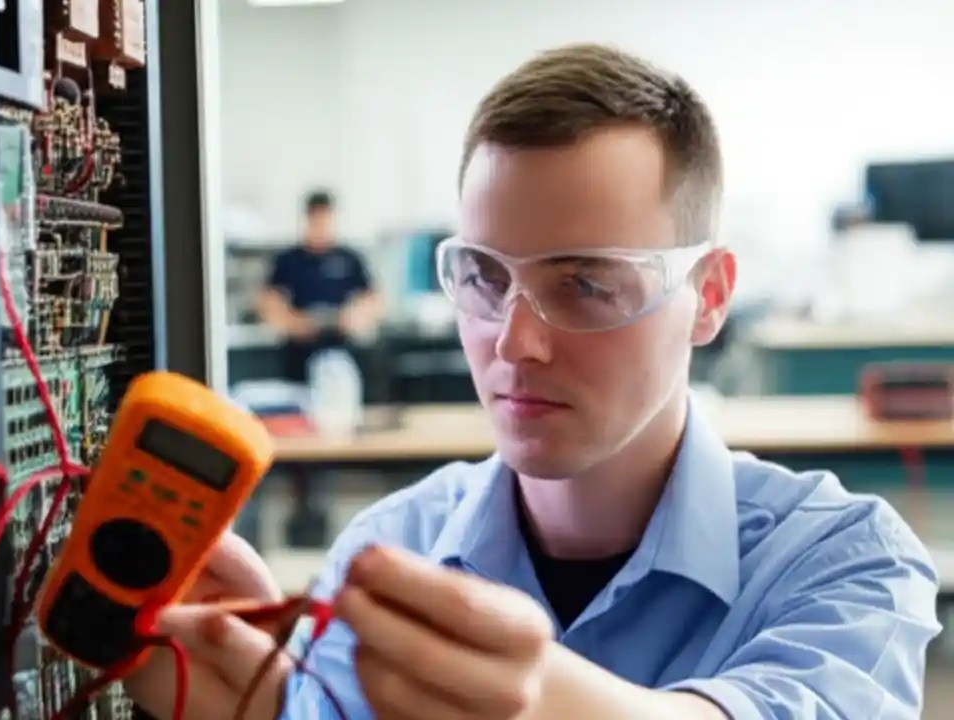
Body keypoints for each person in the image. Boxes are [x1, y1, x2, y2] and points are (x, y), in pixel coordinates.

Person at [125, 44, 942, 719]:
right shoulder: (389, 551)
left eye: (585, 285)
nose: (514, 342)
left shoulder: (845, 565)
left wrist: (543, 700)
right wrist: (273, 705)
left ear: (710, 296)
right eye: (482, 276)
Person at [256, 191, 383, 383]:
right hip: (300, 350)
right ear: (308, 219)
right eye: (317, 220)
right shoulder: (288, 260)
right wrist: (294, 322)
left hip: (343, 346)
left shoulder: (349, 258)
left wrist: (355, 317)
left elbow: (372, 299)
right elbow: (269, 301)